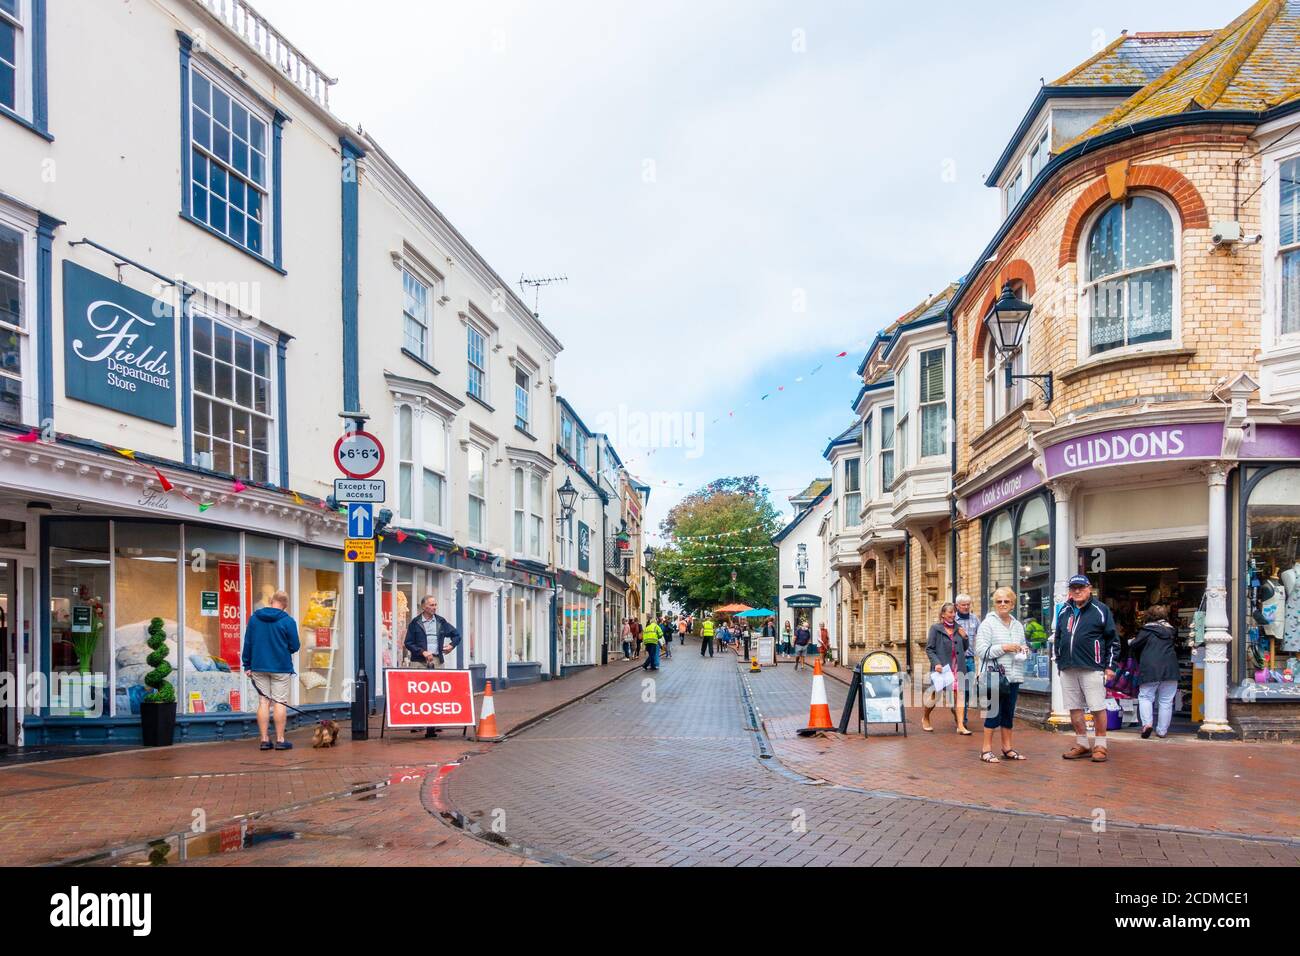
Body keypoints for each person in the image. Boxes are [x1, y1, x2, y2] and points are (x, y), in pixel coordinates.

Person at [1053, 574, 1119, 762]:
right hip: (1068, 667)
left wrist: (1110, 666)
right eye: (1073, 588)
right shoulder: (1064, 610)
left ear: (1089, 588)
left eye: (1081, 587)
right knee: (1074, 707)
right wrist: (1059, 660)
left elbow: (1113, 640)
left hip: (1092, 666)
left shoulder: (1100, 610)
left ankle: (1100, 745)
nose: (1077, 591)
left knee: (1097, 707)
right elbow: (1058, 636)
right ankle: (1082, 743)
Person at [242, 590, 300, 751]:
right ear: (285, 605)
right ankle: (280, 740)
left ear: (270, 601)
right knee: (280, 702)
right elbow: (295, 646)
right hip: (280, 666)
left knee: (263, 702)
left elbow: (248, 643)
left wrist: (247, 665)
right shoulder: (288, 621)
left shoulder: (254, 619)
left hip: (258, 666)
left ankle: (264, 740)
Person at [975, 586, 1028, 763]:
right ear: (994, 604)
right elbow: (981, 651)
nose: (1003, 604)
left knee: (1008, 713)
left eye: (1007, 601)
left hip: (1013, 675)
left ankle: (1007, 748)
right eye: (999, 601)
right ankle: (985, 750)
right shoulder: (987, 624)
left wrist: (1023, 649)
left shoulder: (1018, 625)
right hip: (995, 676)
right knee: (993, 713)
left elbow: (1021, 645)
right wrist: (1004, 647)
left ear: (1013, 604)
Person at [403, 594, 461, 738]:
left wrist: (451, 646)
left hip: (436, 660)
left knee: (436, 692)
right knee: (418, 692)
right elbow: (408, 643)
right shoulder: (415, 623)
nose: (434, 608)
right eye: (431, 605)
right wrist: (422, 652)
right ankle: (417, 723)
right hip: (419, 661)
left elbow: (457, 635)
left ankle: (434, 723)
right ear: (423, 606)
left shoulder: (441, 621)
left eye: (435, 605)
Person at [1130, 604, 1179, 739]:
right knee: (1166, 701)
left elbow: (1135, 645)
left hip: (1151, 667)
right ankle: (1162, 731)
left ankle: (1147, 725)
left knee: (1146, 696)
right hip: (1171, 668)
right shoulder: (1172, 631)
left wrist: (1130, 642)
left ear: (1149, 616)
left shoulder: (1147, 630)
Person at [923, 602, 971, 734]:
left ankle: (961, 726)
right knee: (935, 696)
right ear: (943, 614)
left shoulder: (958, 627)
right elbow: (929, 649)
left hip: (958, 667)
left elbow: (964, 647)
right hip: (942, 668)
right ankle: (926, 717)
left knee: (959, 695)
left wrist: (965, 637)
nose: (953, 614)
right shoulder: (935, 628)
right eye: (950, 612)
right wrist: (936, 663)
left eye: (954, 612)